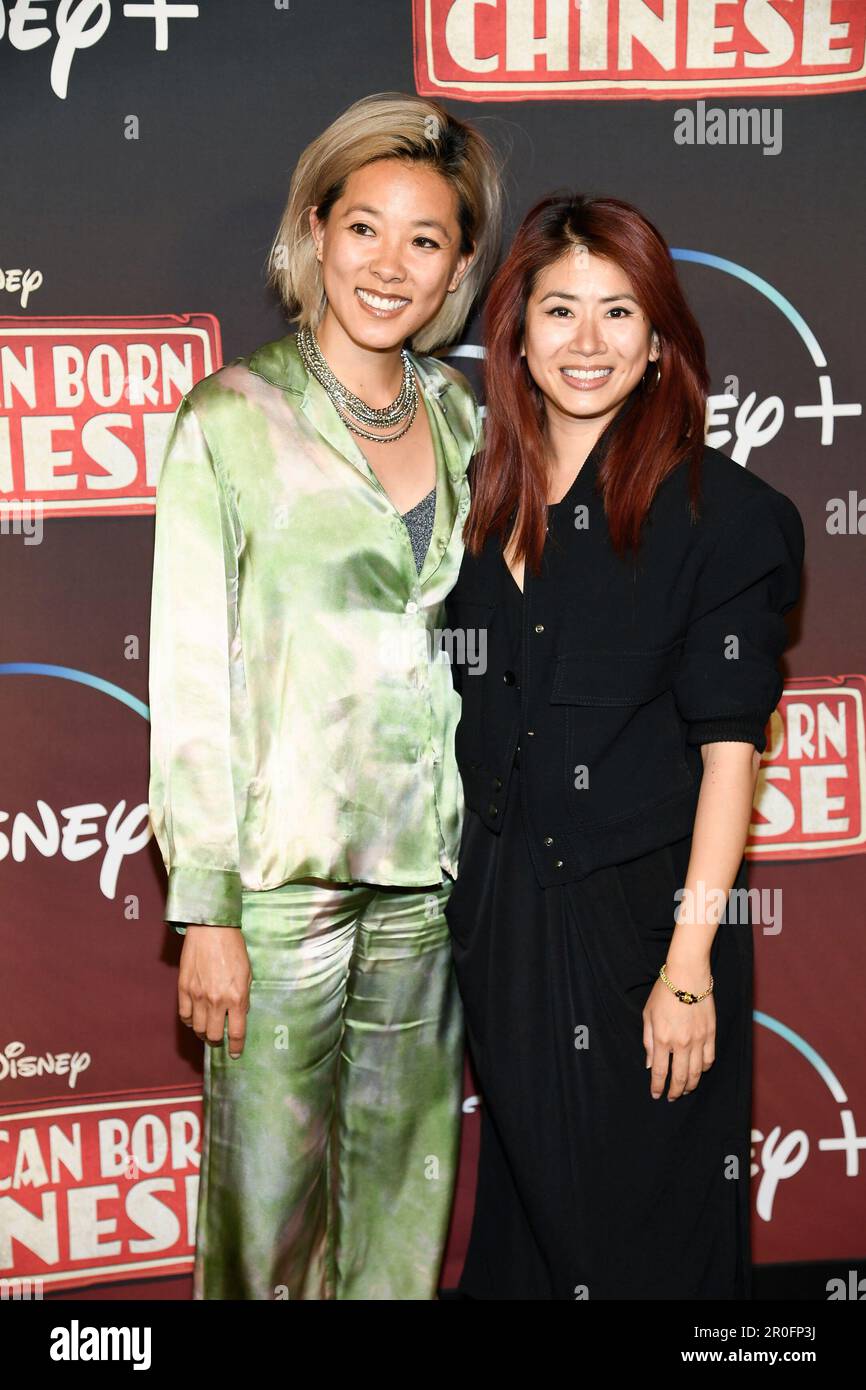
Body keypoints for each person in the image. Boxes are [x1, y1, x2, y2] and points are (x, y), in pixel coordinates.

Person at [147, 91, 502, 1299]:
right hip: (277, 884)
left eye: (425, 239)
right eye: (364, 227)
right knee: (266, 1215)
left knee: (408, 1194)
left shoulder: (462, 418)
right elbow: (192, 679)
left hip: (425, 881)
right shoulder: (229, 421)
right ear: (314, 230)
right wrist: (206, 909)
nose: (389, 264)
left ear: (457, 265)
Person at [443, 193, 805, 1300]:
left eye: (617, 312)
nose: (585, 342)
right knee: (529, 1228)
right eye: (559, 310)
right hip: (500, 911)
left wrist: (687, 969)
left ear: (659, 342)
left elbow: (729, 754)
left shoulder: (721, 514)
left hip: (640, 924)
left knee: (641, 1239)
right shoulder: (472, 494)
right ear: (514, 333)